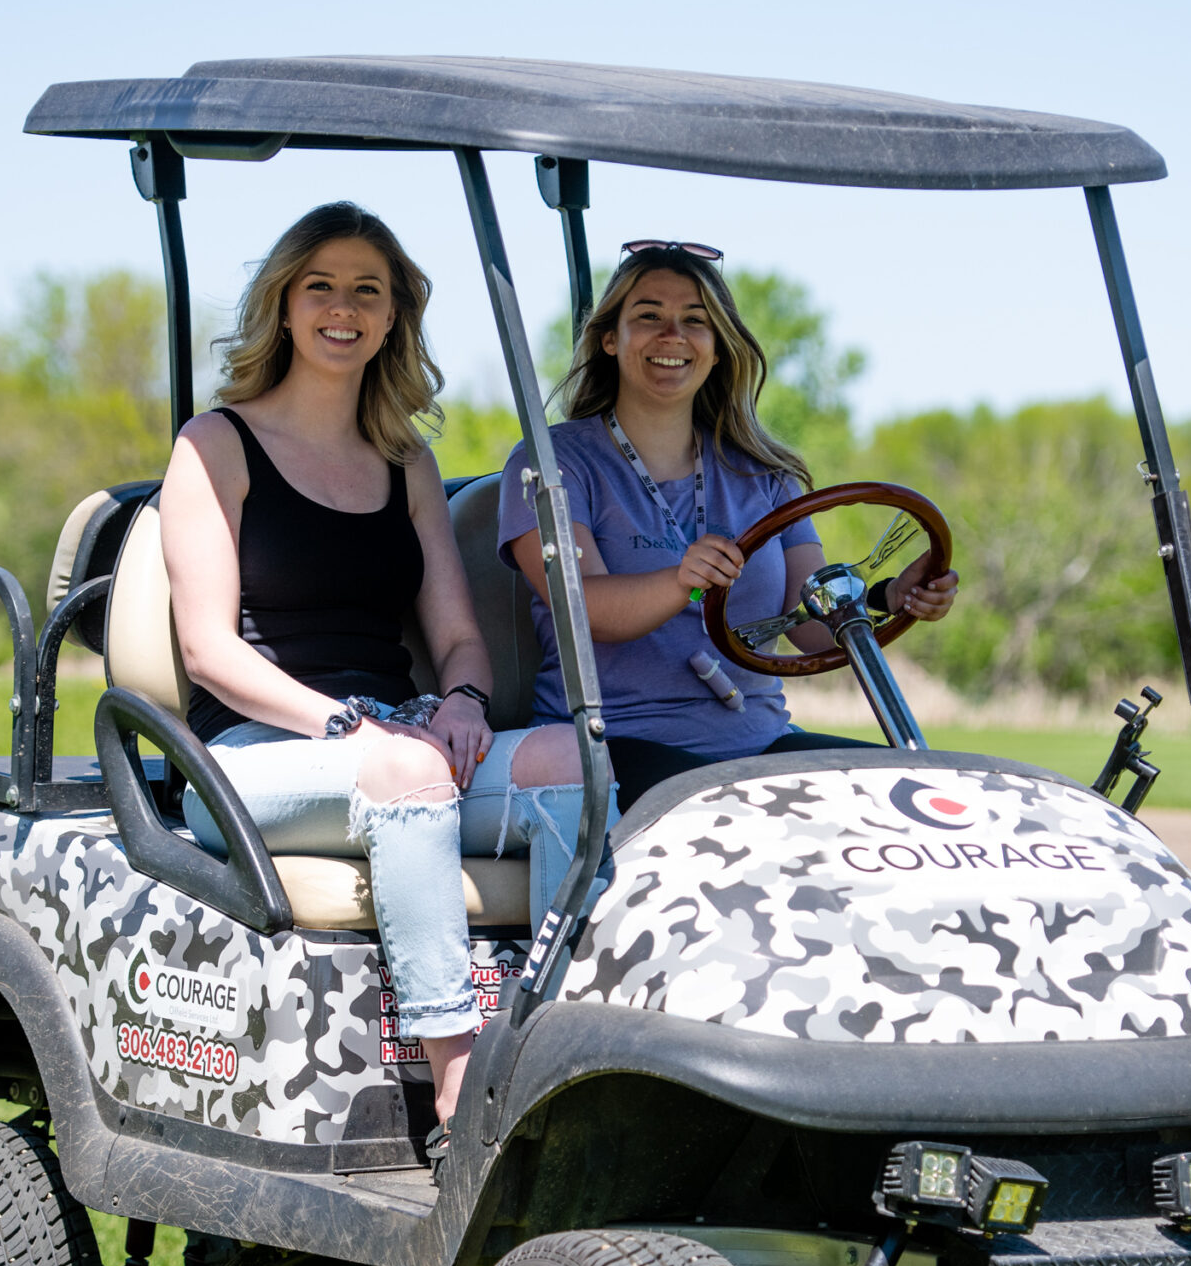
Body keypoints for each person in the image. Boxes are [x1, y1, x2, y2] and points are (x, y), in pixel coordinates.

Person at [158, 201, 593, 1164]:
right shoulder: (215, 443)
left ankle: (559, 1041)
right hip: (251, 757)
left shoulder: (405, 463)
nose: (342, 309)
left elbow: (454, 637)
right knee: (405, 773)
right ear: (283, 304)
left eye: (368, 291)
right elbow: (208, 654)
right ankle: (459, 1086)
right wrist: (349, 726)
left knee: (572, 758)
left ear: (394, 316)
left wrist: (465, 704)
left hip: (397, 746)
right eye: (321, 287)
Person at [499, 243, 958, 807]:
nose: (673, 335)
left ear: (717, 350)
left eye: (696, 321)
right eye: (649, 316)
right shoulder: (550, 463)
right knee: (726, 810)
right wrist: (680, 580)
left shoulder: (764, 472)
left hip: (759, 743)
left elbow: (810, 624)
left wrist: (891, 597)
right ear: (610, 339)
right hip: (612, 745)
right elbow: (584, 610)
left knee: (912, 796)